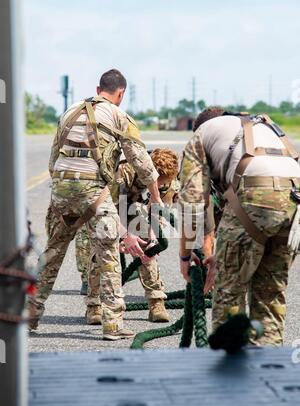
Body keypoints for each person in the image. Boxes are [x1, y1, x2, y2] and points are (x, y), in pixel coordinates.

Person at [27, 69, 162, 341]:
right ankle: (113, 324)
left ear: (98, 88)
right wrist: (157, 197)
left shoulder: (69, 112)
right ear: (120, 93)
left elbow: (54, 160)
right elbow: (140, 161)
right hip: (94, 192)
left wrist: (64, 191)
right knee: (109, 253)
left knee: (52, 252)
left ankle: (29, 315)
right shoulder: (119, 115)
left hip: (62, 190)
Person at [178, 106, 300, 345]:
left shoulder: (202, 134)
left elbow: (192, 202)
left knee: (229, 295)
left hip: (254, 195)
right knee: (270, 296)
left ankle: (228, 373)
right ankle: (267, 367)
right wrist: (221, 253)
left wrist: (185, 256)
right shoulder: (262, 125)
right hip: (294, 202)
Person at [84, 148, 179, 325]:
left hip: (136, 210)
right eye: (156, 182)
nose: (159, 187)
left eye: (163, 184)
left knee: (147, 248)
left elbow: (157, 211)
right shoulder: (122, 174)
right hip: (109, 208)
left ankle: (156, 302)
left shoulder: (169, 182)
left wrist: (153, 236)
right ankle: (94, 306)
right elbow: (104, 210)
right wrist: (122, 237)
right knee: (102, 252)